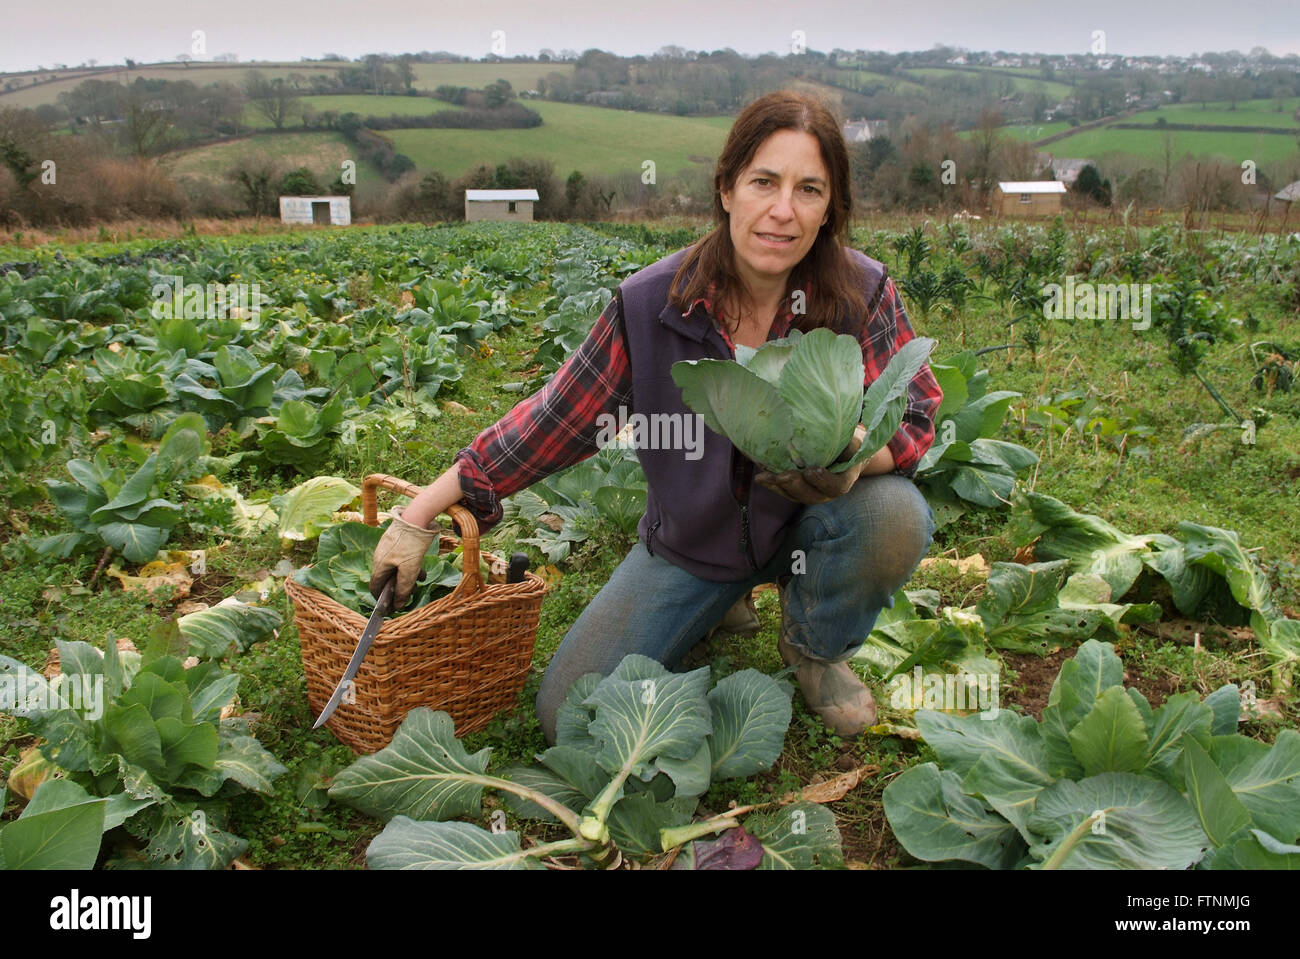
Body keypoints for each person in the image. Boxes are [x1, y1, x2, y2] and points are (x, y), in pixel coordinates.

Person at [370, 90, 942, 745]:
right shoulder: (652, 306)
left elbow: (918, 412)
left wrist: (853, 461)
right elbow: (556, 420)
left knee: (894, 512)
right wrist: (421, 512)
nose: (783, 211)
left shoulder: (860, 291)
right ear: (726, 188)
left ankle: (815, 647)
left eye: (809, 190)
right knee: (573, 716)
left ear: (829, 208)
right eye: (763, 182)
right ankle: (718, 602)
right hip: (694, 546)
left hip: (818, 525)